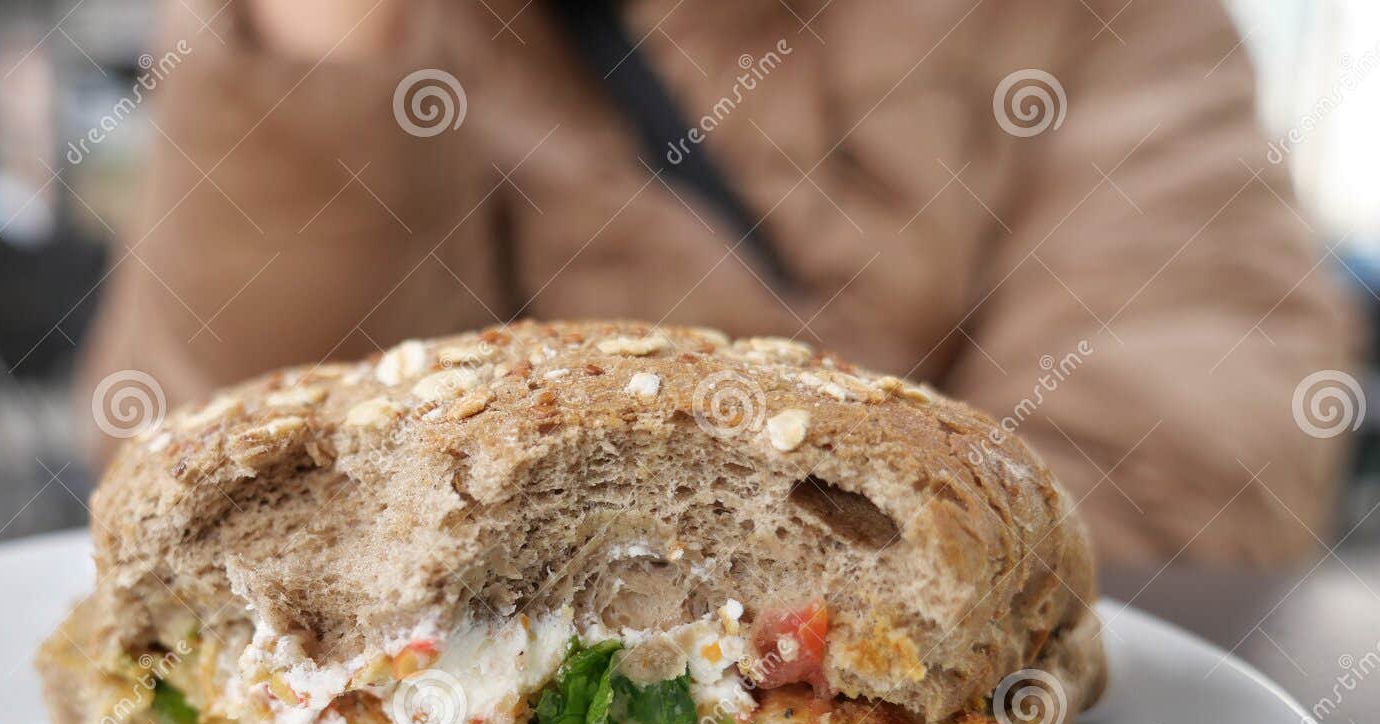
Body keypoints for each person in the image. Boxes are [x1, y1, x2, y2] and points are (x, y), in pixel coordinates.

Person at [79, 0, 1361, 565]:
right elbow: (215, 503)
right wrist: (325, 54)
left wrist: (777, 628)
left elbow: (1186, 474)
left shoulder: (1104, 26)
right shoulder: (338, 29)